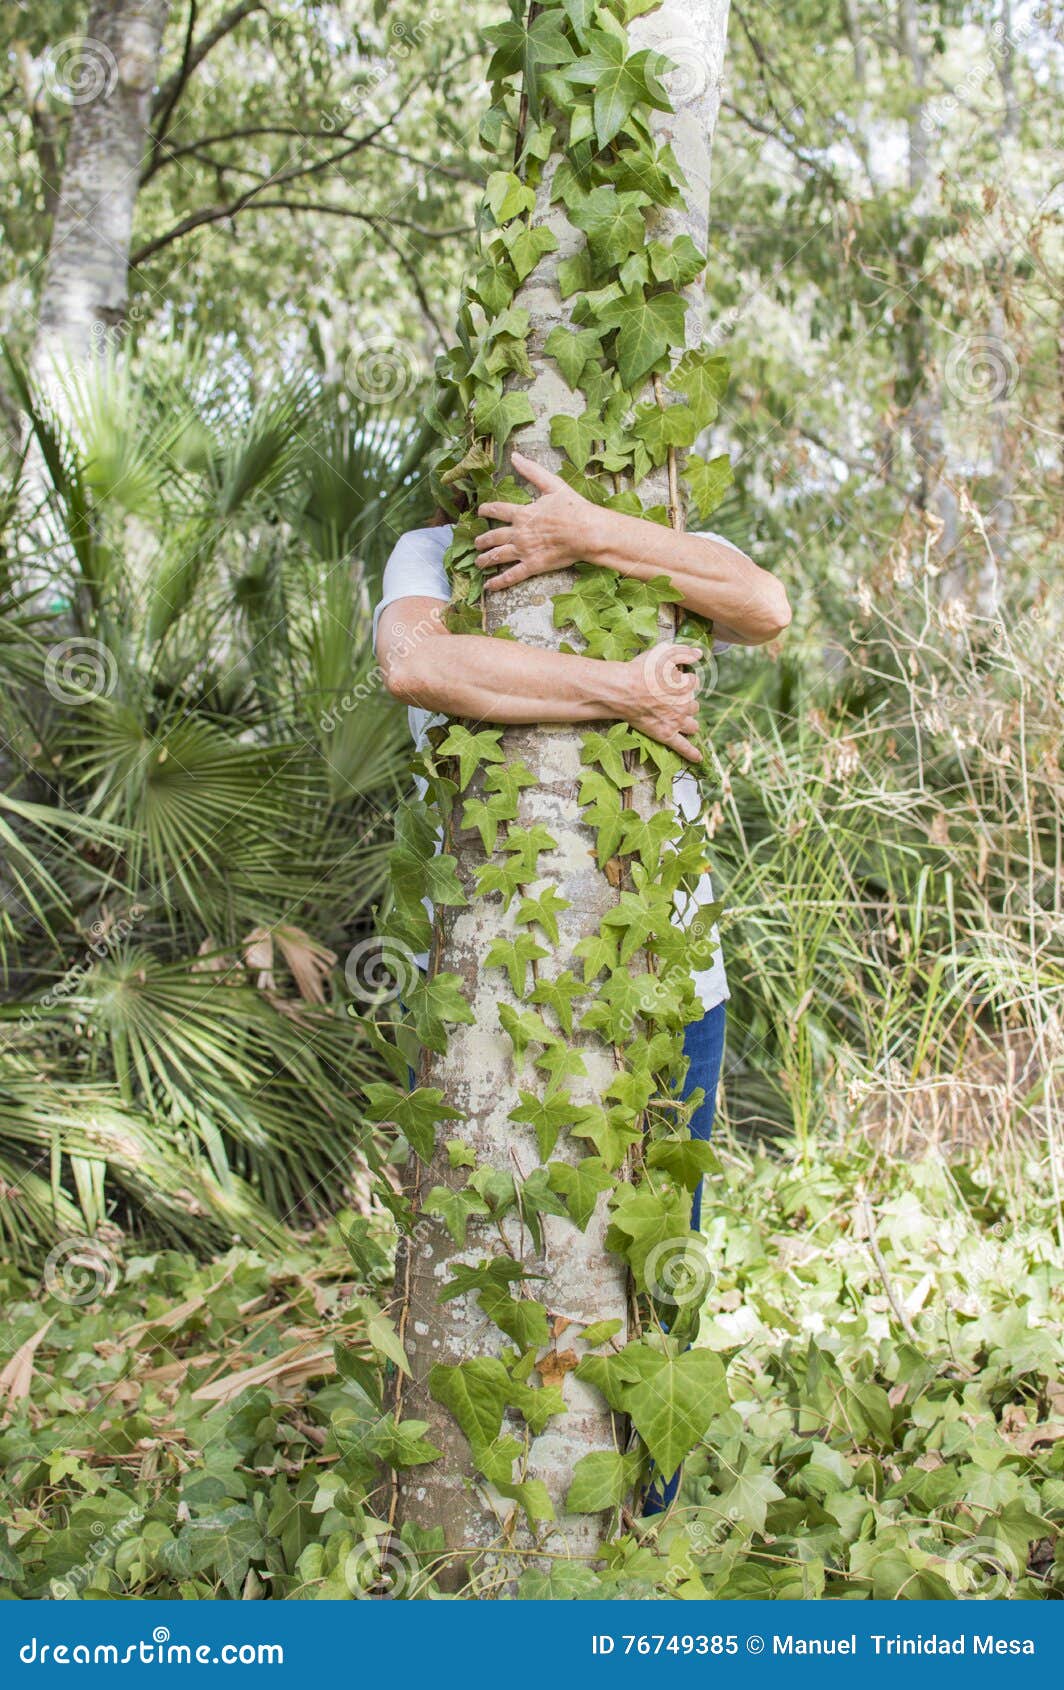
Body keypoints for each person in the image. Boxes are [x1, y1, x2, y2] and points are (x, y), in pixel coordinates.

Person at [372, 451, 790, 1510]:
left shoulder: (659, 548)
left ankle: (644, 1518)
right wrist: (620, 691)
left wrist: (590, 532)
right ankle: (482, 1519)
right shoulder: (431, 555)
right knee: (495, 1253)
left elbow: (762, 604)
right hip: (486, 995)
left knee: (657, 1250)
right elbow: (417, 667)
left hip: (670, 983)